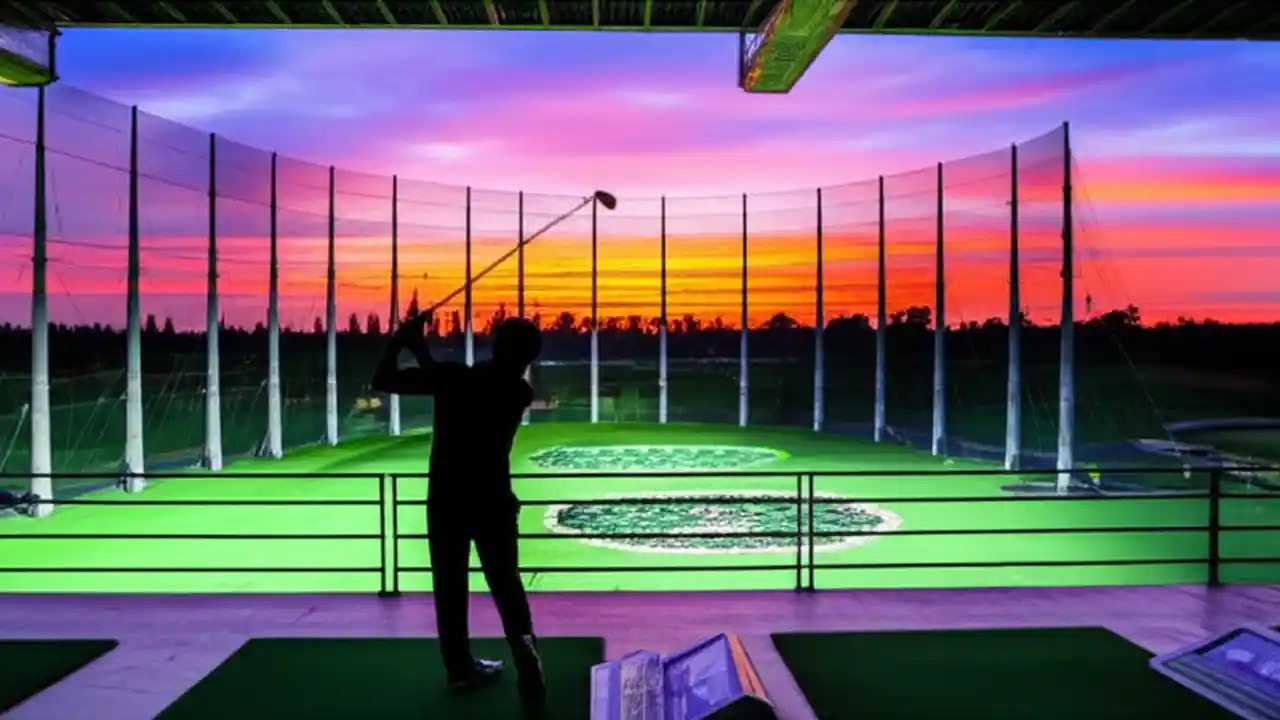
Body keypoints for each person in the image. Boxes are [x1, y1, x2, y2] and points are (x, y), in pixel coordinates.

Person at [372, 311, 546, 706]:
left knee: (449, 587)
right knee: (506, 585)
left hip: (448, 501)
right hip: (492, 501)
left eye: (498, 337)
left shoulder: (456, 379)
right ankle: (527, 661)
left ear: (500, 348)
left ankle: (460, 670)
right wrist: (419, 348)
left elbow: (385, 379)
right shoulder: (517, 391)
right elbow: (453, 380)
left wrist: (402, 341)